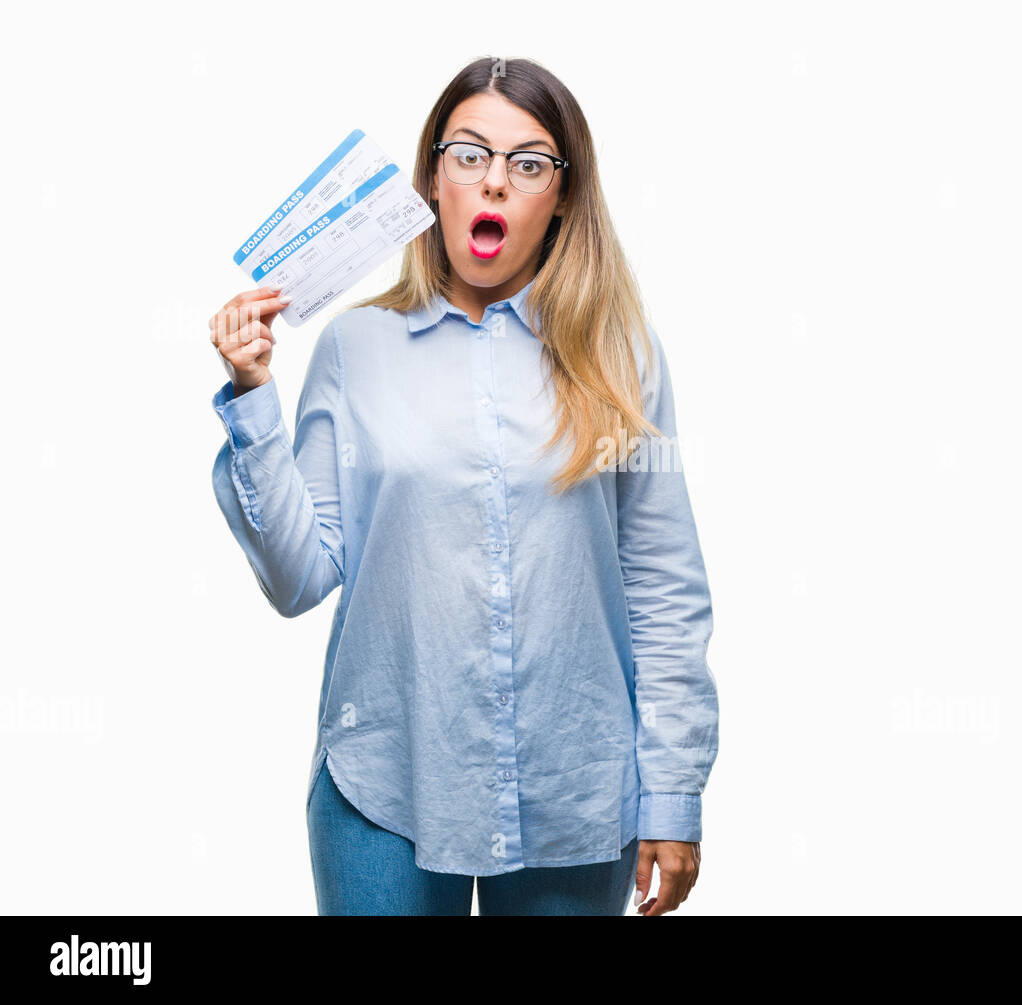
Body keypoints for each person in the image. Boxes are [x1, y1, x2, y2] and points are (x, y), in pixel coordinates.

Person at [207, 56, 718, 916]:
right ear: (431, 181)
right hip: (385, 784)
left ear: (560, 197)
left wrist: (674, 793)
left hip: (575, 786)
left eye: (528, 163)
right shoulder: (353, 348)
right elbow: (298, 578)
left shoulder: (621, 351)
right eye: (469, 154)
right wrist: (253, 397)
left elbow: (663, 587)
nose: (495, 181)